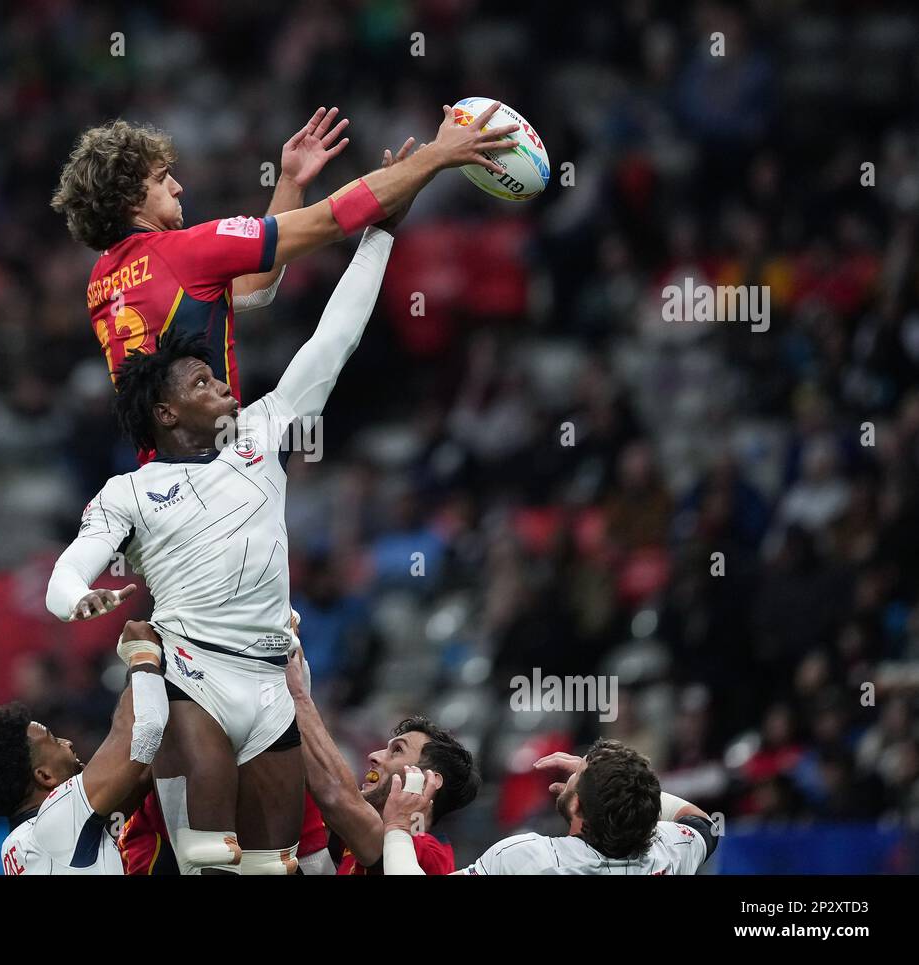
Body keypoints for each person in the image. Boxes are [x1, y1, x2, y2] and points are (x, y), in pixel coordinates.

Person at [44, 161, 413, 872]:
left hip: (270, 684)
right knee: (209, 859)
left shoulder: (263, 432)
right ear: (167, 411)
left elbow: (333, 341)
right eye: (205, 382)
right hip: (192, 678)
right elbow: (69, 568)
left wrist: (381, 240)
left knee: (273, 867)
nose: (224, 385)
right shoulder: (131, 491)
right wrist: (73, 601)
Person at [52, 105, 519, 407]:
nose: (177, 186)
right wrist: (435, 156)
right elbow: (330, 221)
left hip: (159, 477)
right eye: (161, 178)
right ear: (131, 199)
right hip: (215, 471)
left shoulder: (104, 277)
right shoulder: (184, 251)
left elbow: (256, 289)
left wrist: (291, 182)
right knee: (326, 355)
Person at [0, 644, 167, 875]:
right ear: (45, 776)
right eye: (54, 740)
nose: (68, 743)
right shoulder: (53, 823)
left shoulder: (18, 846)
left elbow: (137, 775)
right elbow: (141, 734)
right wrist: (142, 653)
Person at [381, 738, 720, 875]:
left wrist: (398, 827)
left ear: (578, 806)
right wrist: (615, 784)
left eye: (580, 772)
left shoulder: (532, 859)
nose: (574, 770)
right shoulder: (667, 852)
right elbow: (704, 823)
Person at [285, 645, 477, 874]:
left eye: (397, 751)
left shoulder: (432, 859)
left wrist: (299, 697)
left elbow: (335, 795)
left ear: (427, 782)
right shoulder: (351, 839)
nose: (373, 756)